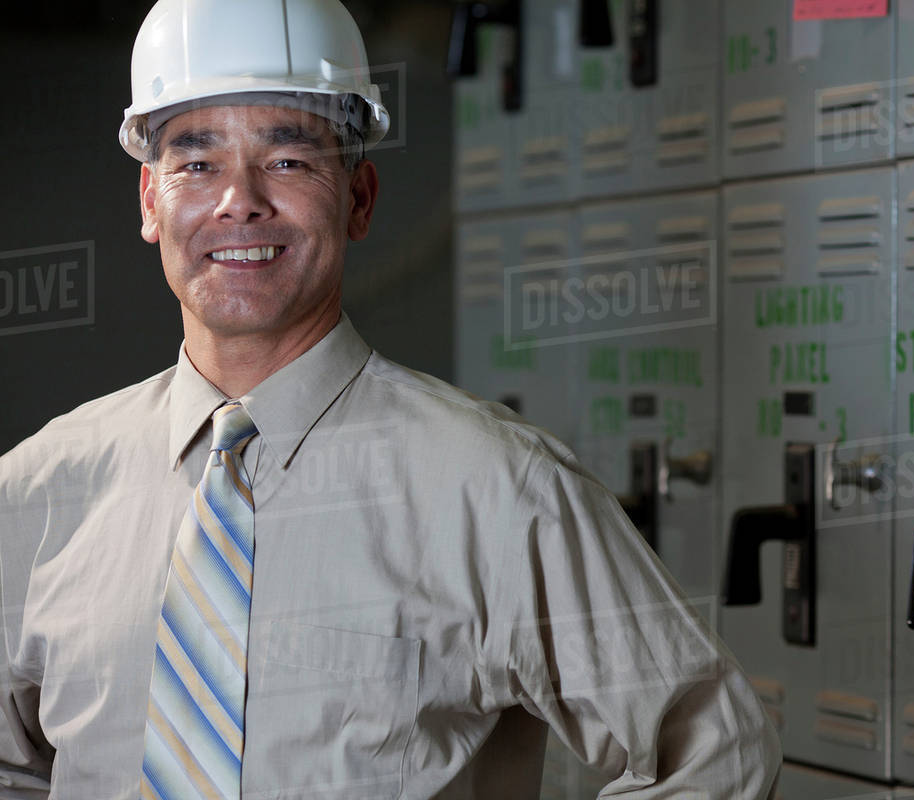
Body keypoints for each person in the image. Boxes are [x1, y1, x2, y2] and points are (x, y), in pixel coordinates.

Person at [0, 0, 781, 797]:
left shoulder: (498, 491)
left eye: (289, 161)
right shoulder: (36, 494)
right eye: (196, 164)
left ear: (360, 198)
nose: (239, 199)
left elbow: (714, 754)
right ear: (149, 202)